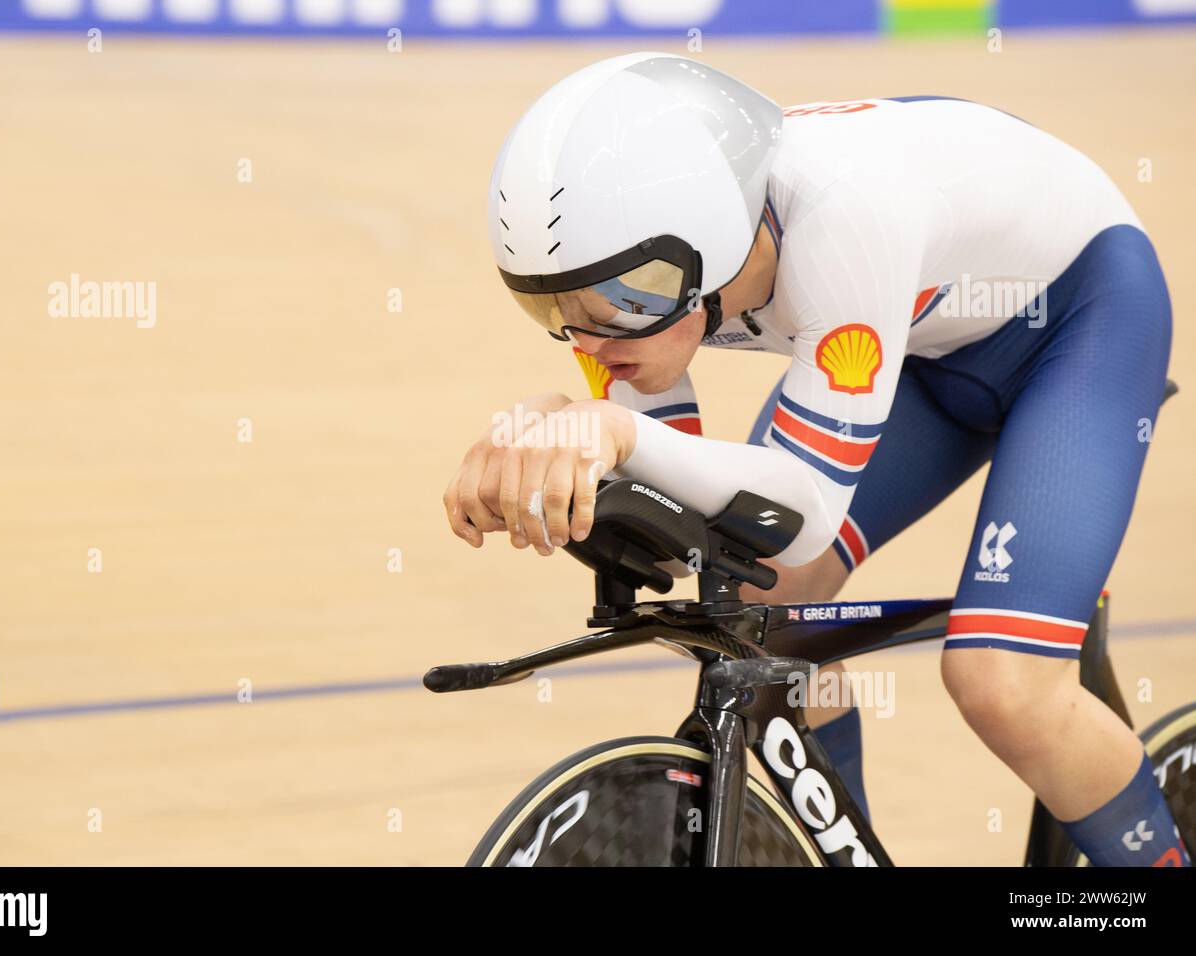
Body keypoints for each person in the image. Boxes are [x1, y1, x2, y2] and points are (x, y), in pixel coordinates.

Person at [443, 52, 1186, 867]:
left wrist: (612, 434)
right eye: (550, 306)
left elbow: (801, 515)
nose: (586, 338)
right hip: (918, 348)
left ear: (711, 247)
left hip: (1081, 321)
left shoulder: (844, 222)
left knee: (1002, 684)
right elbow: (692, 499)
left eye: (621, 302)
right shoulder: (633, 287)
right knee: (774, 619)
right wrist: (553, 436)